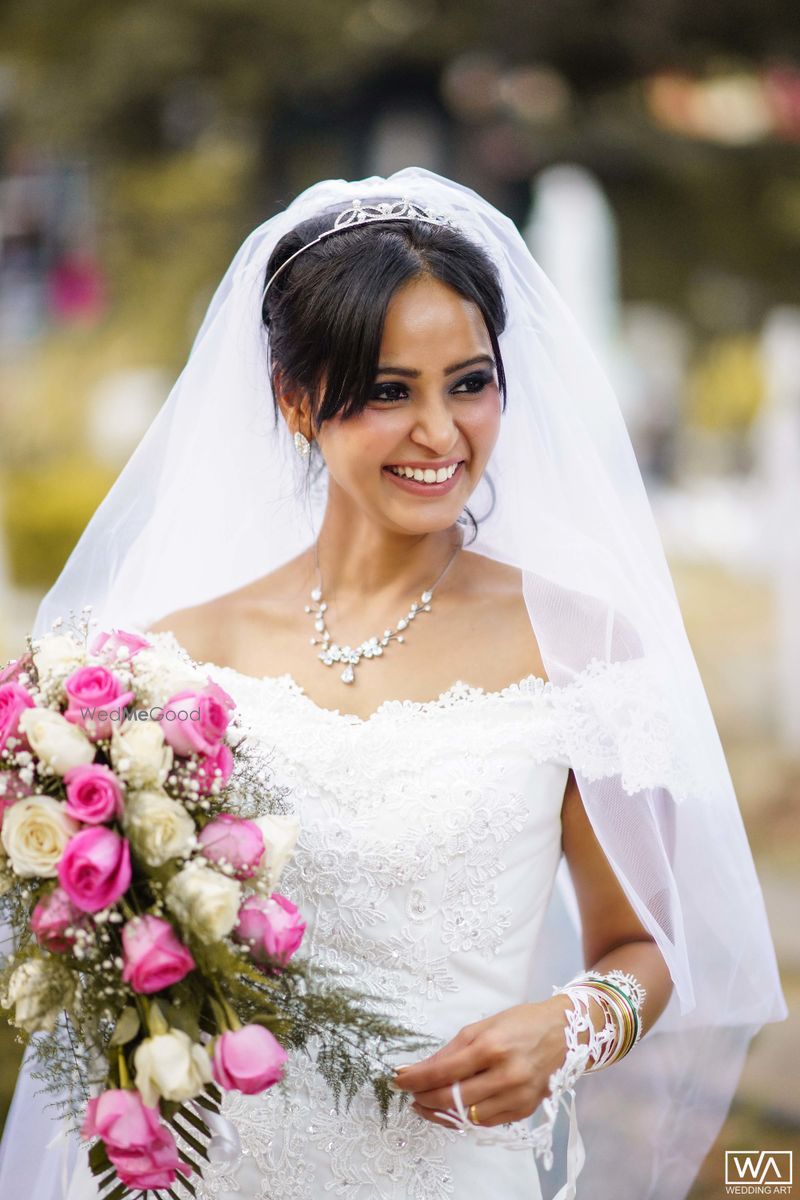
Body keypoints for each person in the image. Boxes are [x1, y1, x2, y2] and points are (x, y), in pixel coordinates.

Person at [0, 169, 786, 1200]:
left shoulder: (581, 645)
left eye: (468, 382)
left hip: (453, 1168)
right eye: (387, 391)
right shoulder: (169, 659)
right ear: (294, 400)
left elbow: (647, 943)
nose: (440, 433)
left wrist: (567, 1028)